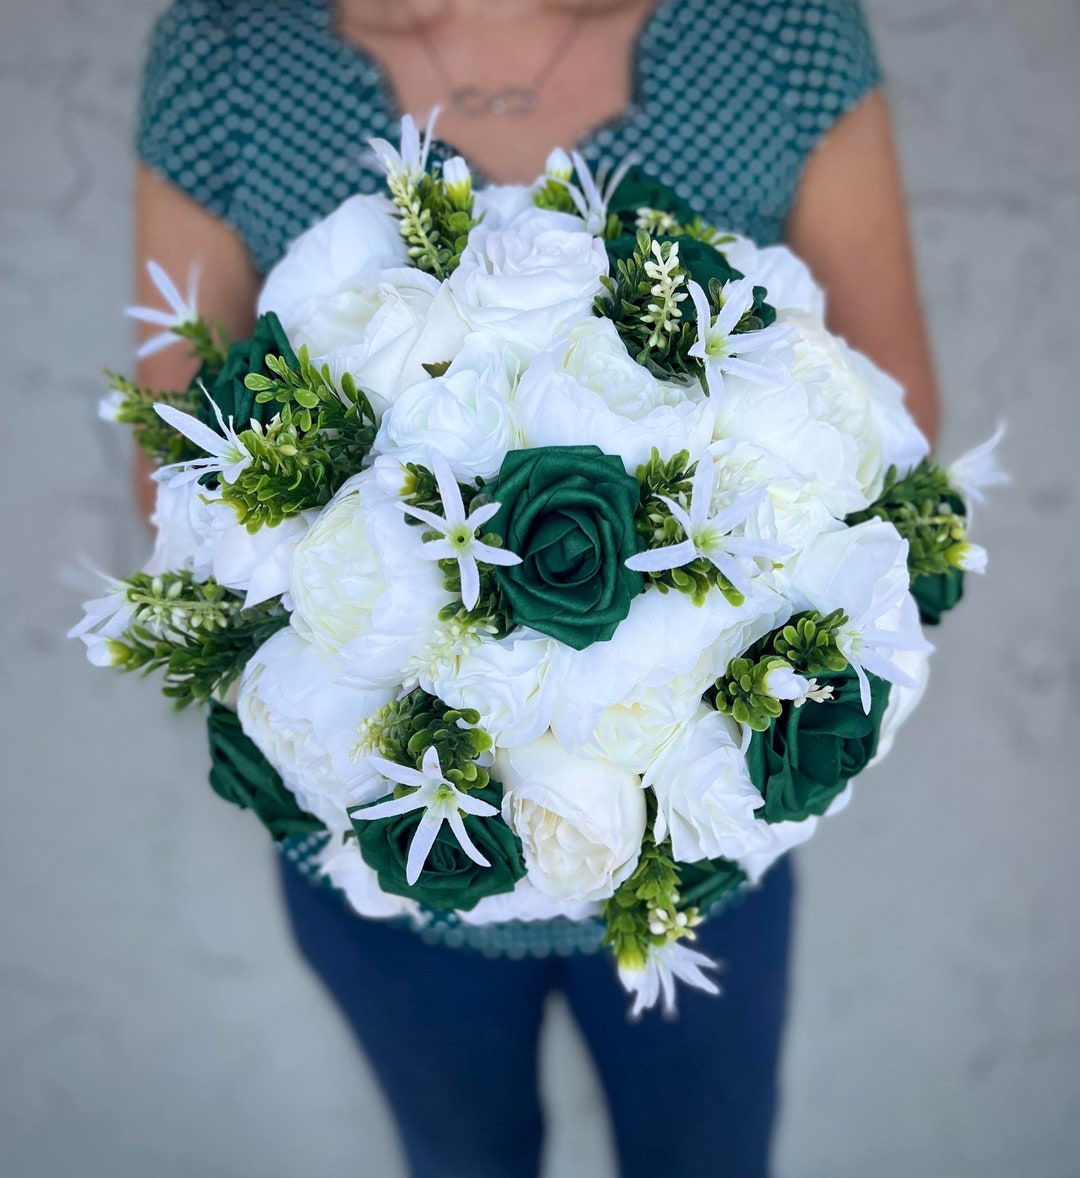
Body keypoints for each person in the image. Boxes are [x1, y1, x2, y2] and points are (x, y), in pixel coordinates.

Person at [131, 2, 940, 1175]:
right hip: (386, 833)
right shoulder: (225, 51)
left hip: (699, 826)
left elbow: (887, 426)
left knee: (710, 1154)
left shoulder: (777, 28)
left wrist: (680, 647)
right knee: (460, 1154)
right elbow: (183, 473)